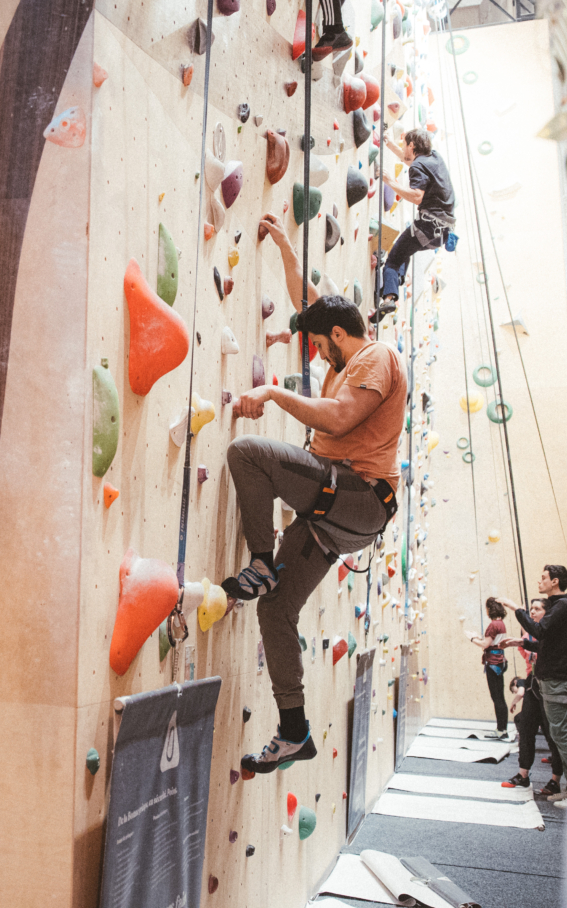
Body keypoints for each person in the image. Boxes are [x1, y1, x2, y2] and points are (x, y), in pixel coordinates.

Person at [221, 239, 402, 773]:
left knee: (248, 453)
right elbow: (311, 300)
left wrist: (273, 393)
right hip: (334, 514)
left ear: (342, 337)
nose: (321, 355)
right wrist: (284, 245)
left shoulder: (376, 358)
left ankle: (260, 561)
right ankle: (294, 731)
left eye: (324, 346)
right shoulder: (346, 342)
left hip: (358, 497)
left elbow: (341, 418)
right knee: (275, 609)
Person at [498, 565, 567, 802]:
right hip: (552, 679)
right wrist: (522, 641)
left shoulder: (563, 606)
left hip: (557, 680)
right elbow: (550, 644)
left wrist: (517, 609)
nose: (540, 582)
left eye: (543, 578)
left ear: (555, 581)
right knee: (558, 735)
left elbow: (538, 631)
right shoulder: (562, 607)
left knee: (561, 736)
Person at [372, 129, 456, 322]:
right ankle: (397, 282)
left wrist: (390, 181)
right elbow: (409, 159)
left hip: (427, 226)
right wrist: (390, 143)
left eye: (404, 144)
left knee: (393, 259)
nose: (403, 148)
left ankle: (388, 298)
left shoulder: (417, 167)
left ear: (411, 145)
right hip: (443, 232)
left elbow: (417, 196)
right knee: (406, 250)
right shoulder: (434, 157)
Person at [497, 598, 560, 794]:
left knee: (552, 734)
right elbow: (527, 651)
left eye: (537, 609)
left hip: (549, 682)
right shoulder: (530, 632)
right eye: (531, 609)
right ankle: (523, 775)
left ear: (547, 613)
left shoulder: (553, 631)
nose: (533, 612)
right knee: (525, 727)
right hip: (533, 680)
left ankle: (555, 780)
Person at [466, 597, 508, 739]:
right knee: (500, 697)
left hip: (493, 663)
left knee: (497, 697)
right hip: (500, 661)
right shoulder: (501, 624)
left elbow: (485, 644)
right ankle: (502, 728)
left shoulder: (493, 625)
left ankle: (501, 729)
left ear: (490, 609)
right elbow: (492, 642)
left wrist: (472, 639)